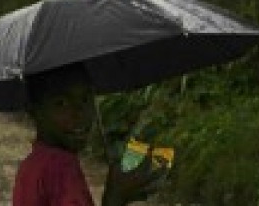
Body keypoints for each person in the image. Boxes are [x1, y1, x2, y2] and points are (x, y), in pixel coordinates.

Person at [13, 63, 164, 206]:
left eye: (85, 99)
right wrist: (115, 198)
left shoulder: (31, 165)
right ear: (33, 110)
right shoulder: (60, 165)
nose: (79, 113)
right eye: (61, 103)